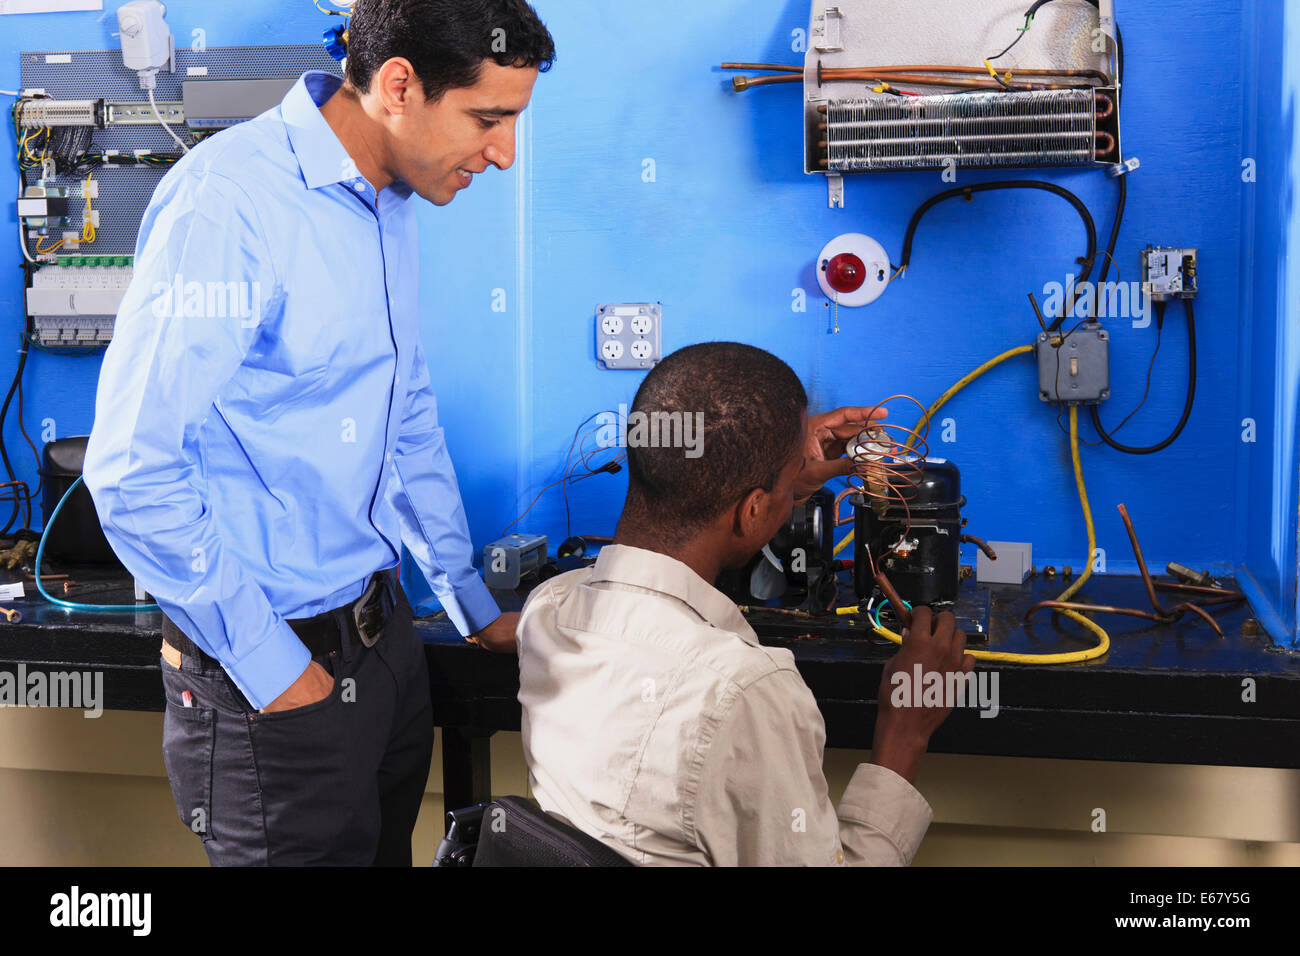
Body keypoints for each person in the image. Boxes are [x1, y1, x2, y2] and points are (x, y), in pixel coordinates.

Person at [83, 0, 555, 866]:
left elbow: (404, 419)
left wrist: (471, 604)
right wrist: (275, 670)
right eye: (489, 118)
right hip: (275, 673)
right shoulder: (227, 205)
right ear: (400, 87)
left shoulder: (390, 200)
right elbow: (129, 470)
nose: (503, 152)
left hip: (385, 651)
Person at [517, 342, 974, 865]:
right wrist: (904, 733)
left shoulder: (548, 609)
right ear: (753, 511)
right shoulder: (744, 692)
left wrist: (775, 481)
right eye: (783, 488)